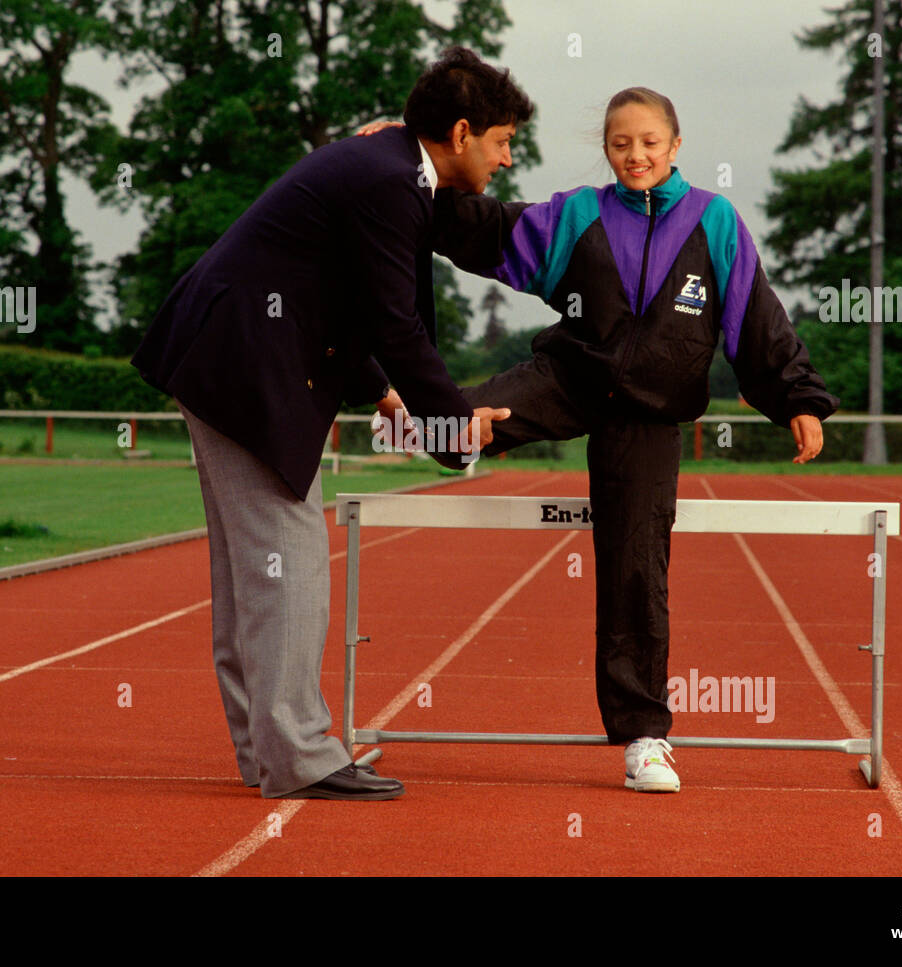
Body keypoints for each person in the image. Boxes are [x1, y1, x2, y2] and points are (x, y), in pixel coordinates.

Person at [364, 87, 838, 793]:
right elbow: (487, 229)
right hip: (571, 376)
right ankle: (411, 420)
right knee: (460, 417)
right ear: (607, 150)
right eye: (621, 144)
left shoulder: (717, 222)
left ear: (675, 146)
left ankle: (646, 738)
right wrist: (397, 166)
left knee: (635, 569)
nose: (636, 155)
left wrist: (800, 399)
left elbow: (758, 324)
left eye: (649, 142)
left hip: (648, 417)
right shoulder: (578, 213)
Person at [131, 47, 530, 801]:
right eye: (504, 141)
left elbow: (345, 294)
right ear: (463, 130)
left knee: (254, 575)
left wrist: (383, 394)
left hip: (225, 357)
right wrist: (451, 427)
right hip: (244, 369)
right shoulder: (388, 178)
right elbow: (396, 320)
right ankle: (300, 757)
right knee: (290, 564)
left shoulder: (384, 164)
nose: (507, 159)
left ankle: (270, 754)